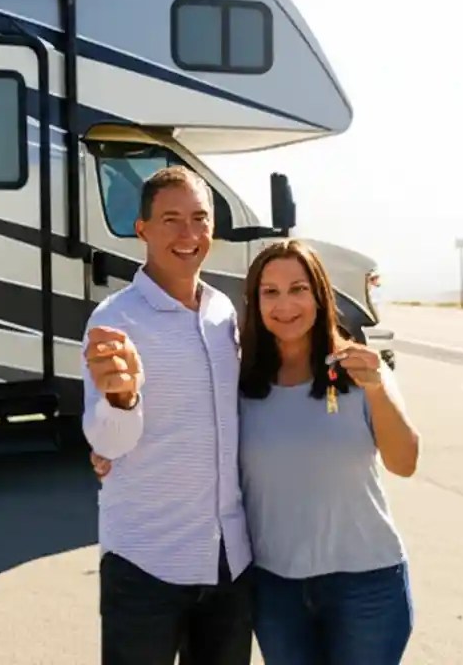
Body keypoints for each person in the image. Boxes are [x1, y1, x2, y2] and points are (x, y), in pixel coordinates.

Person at [93, 238, 420, 665]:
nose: (285, 304)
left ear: (321, 296)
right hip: (276, 588)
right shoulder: (241, 380)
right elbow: (191, 432)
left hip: (366, 584)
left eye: (299, 289)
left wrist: (377, 389)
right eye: (271, 292)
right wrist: (115, 451)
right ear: (255, 302)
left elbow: (405, 461)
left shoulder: (359, 371)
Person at [82, 165, 254, 665]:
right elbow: (107, 443)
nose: (188, 234)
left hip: (229, 565)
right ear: (143, 231)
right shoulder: (115, 319)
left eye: (199, 218)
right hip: (146, 566)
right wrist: (122, 399)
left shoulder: (225, 313)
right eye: (171, 219)